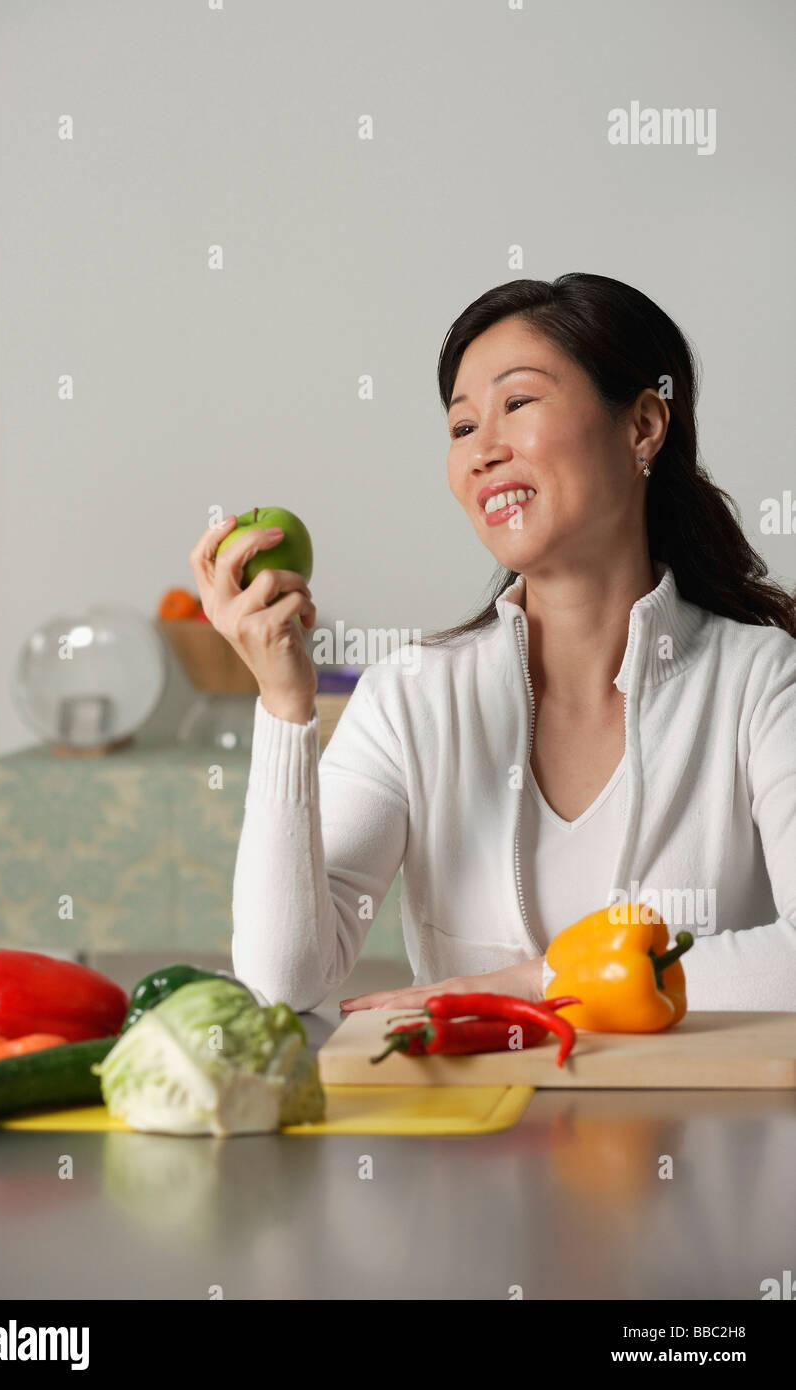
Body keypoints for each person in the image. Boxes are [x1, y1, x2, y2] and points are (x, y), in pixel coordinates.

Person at [189, 272, 796, 1015]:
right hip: (471, 1133)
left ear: (642, 425)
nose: (482, 451)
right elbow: (284, 982)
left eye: (517, 403)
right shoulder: (409, 697)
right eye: (462, 427)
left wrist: (531, 985)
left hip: (701, 1133)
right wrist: (284, 701)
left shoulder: (761, 683)